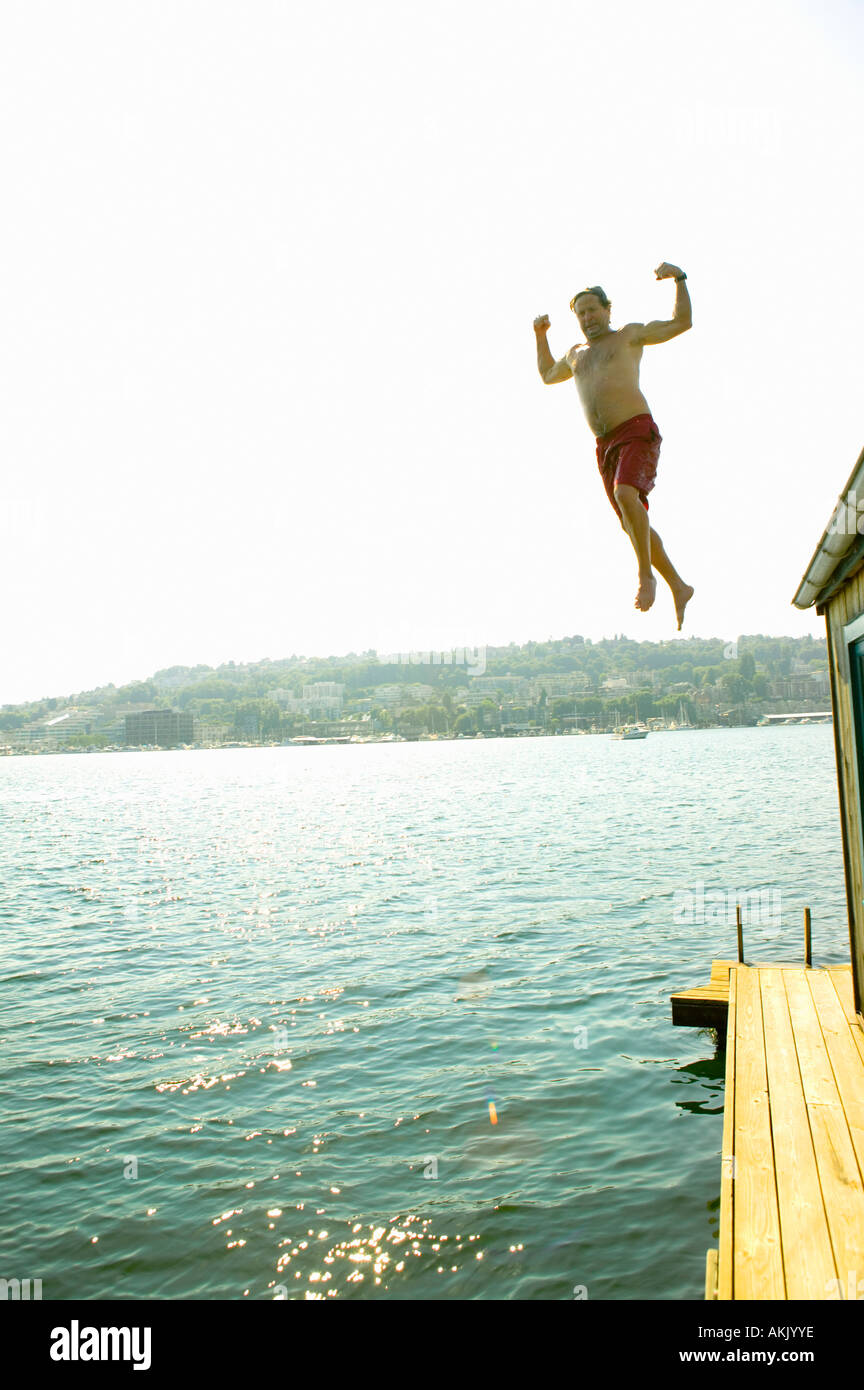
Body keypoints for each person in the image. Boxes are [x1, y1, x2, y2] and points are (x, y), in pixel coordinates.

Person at [533, 263, 694, 628]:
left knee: (626, 496)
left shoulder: (629, 336)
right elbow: (546, 375)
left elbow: (681, 323)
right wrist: (540, 334)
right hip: (604, 445)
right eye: (581, 313)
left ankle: (645, 577)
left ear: (607, 310)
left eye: (593, 310)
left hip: (637, 429)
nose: (588, 317)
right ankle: (679, 586)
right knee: (631, 521)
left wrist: (679, 279)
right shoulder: (576, 354)